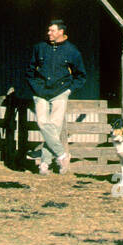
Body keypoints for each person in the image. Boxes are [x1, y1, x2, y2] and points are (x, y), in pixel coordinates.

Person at [25, 19, 87, 174]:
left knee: (53, 128)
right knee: (42, 123)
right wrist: (36, 88)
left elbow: (81, 76)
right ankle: (62, 155)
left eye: (52, 30)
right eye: (48, 30)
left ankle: (44, 164)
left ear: (61, 32)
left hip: (60, 93)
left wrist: (68, 91)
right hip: (41, 93)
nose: (48, 33)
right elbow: (30, 71)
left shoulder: (72, 51)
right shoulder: (39, 48)